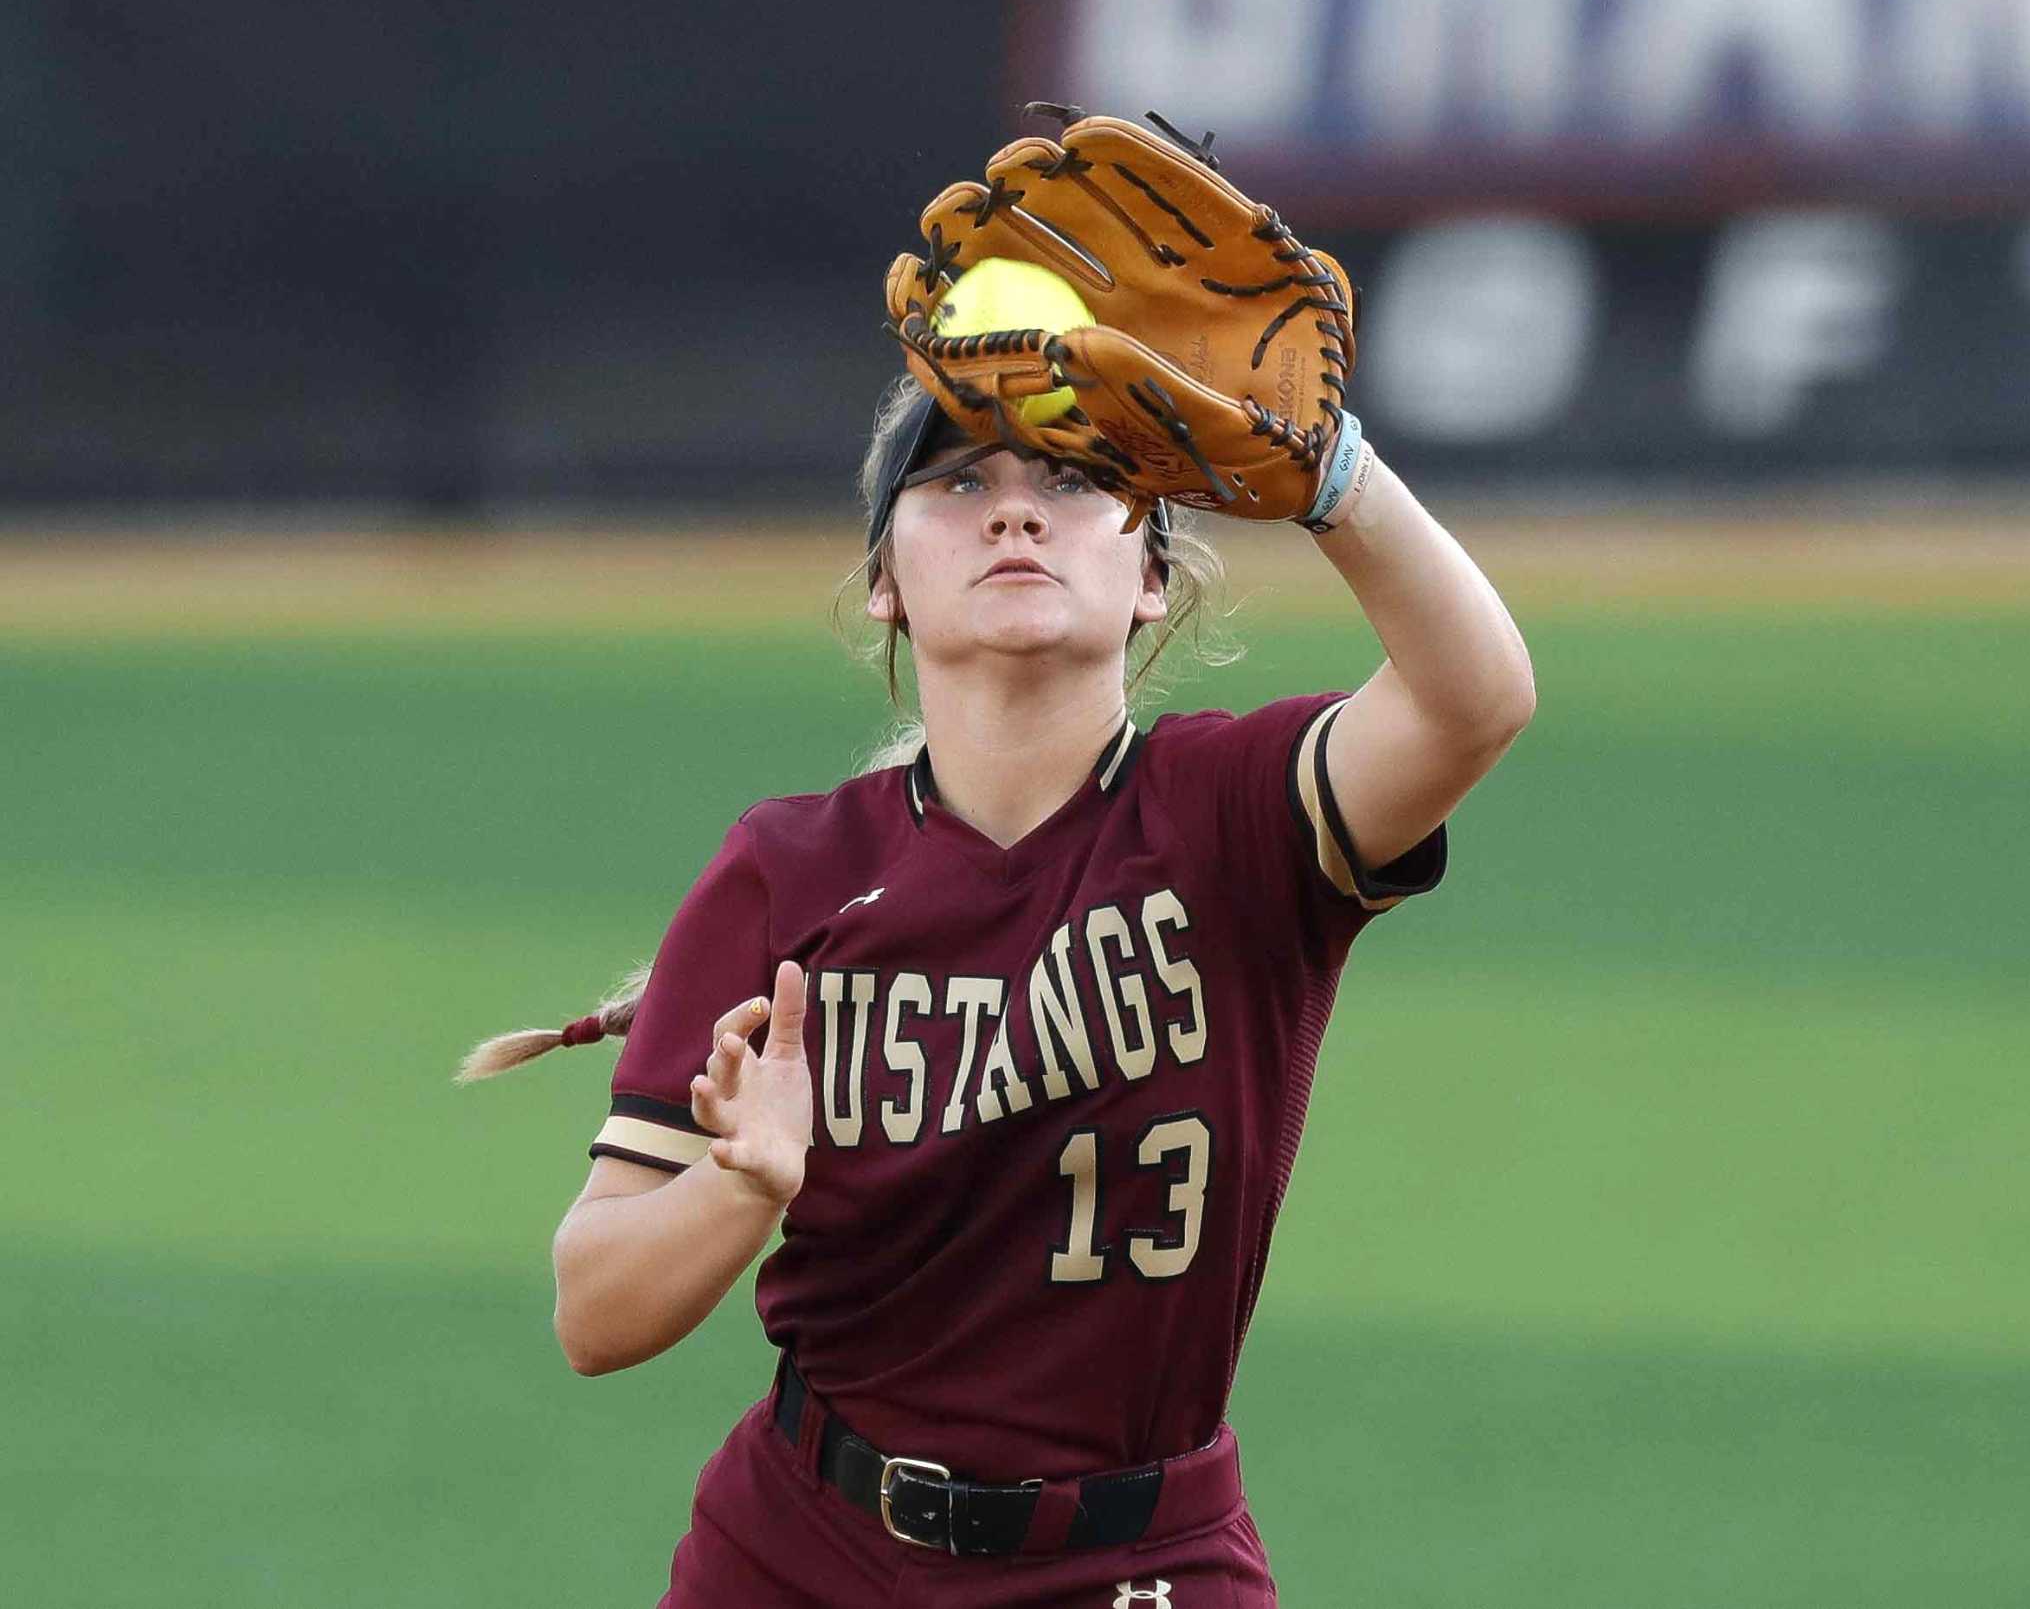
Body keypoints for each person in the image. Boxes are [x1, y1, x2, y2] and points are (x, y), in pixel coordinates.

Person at [466, 373, 1535, 1606]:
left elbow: (1475, 701)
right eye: (959, 480)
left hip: (1136, 1557)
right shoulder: (787, 870)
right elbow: (594, 1313)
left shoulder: (1234, 816)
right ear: (884, 582)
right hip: (801, 1552)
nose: (1013, 513)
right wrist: (738, 1185)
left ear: (1151, 576)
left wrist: (1331, 475)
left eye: (1071, 480)